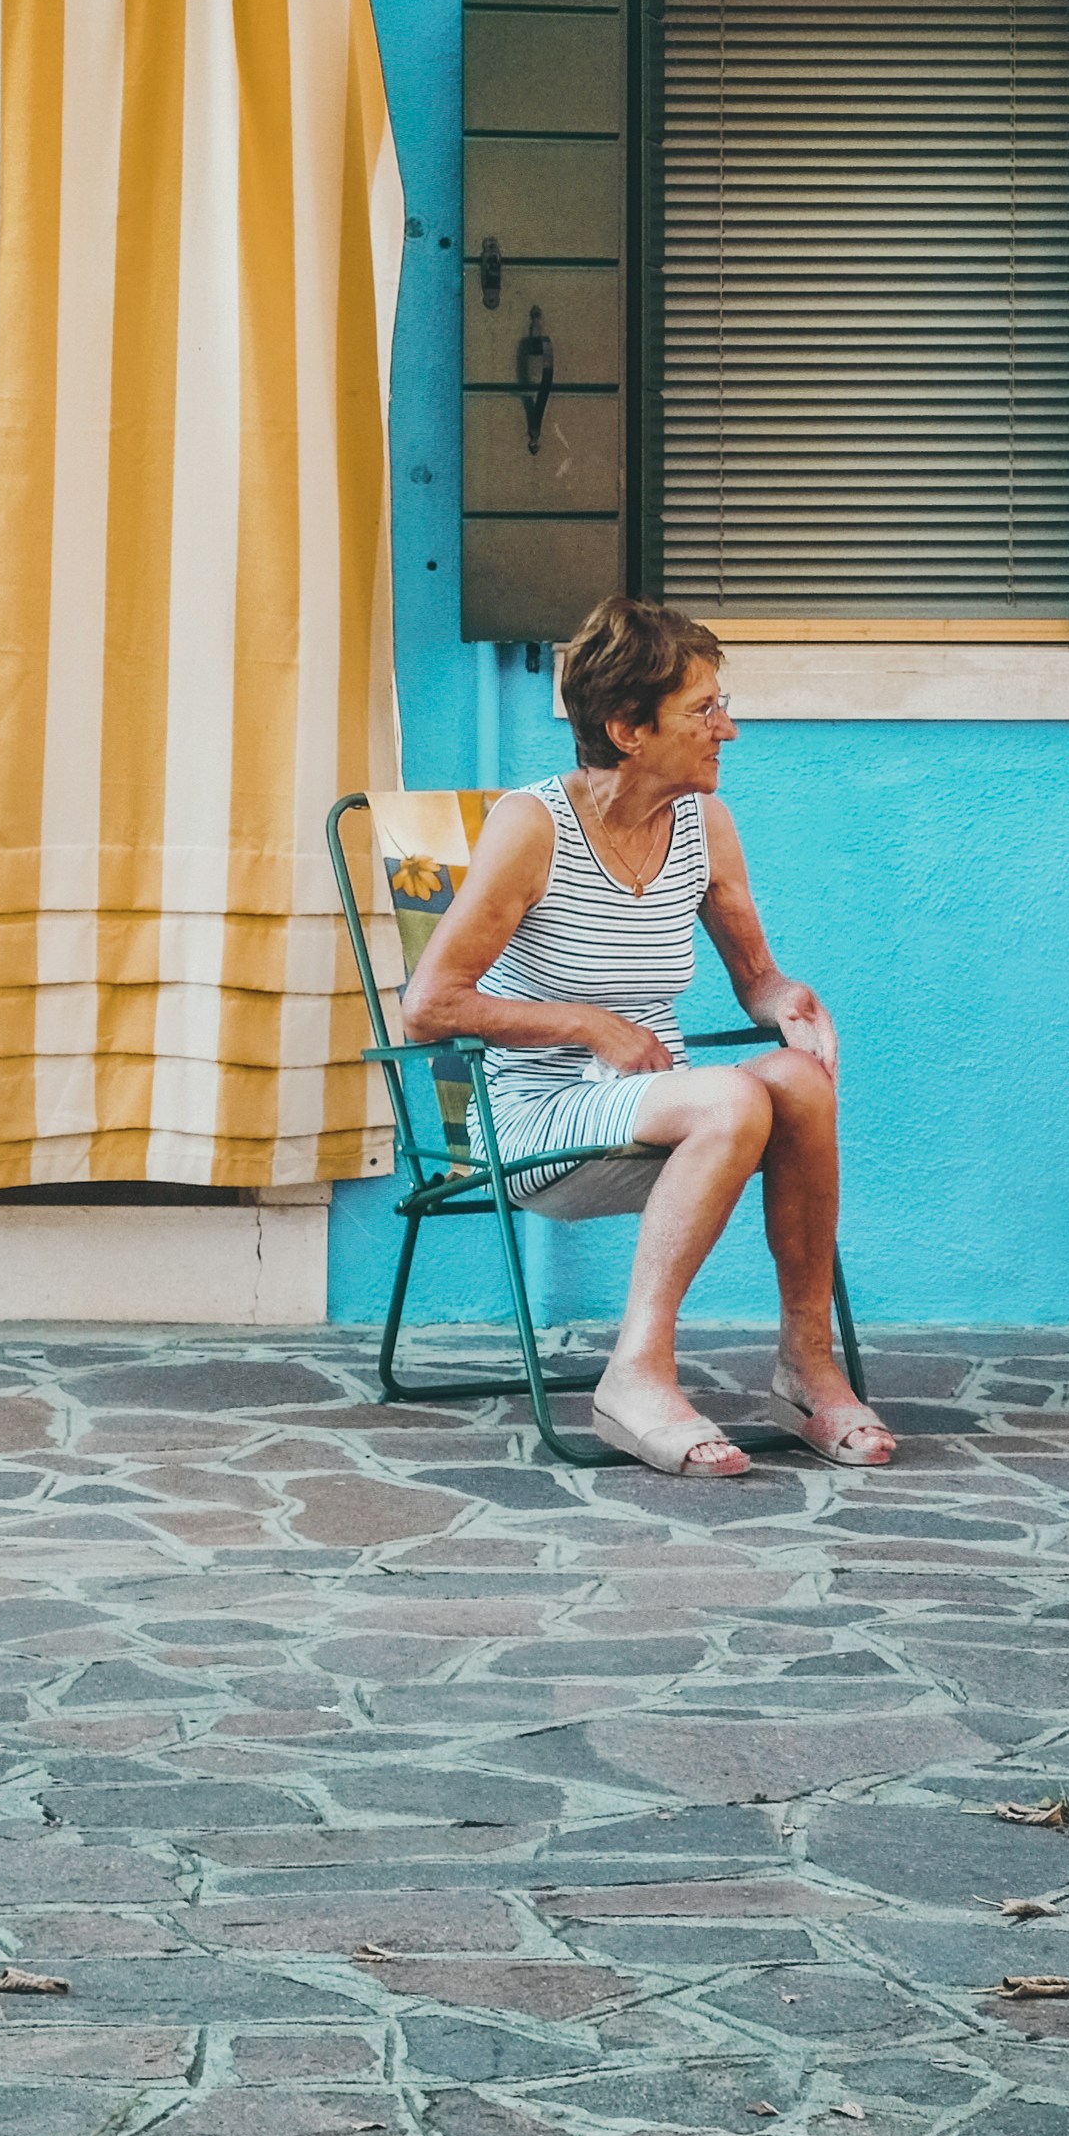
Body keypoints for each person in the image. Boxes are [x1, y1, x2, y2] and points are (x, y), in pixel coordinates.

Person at [397, 596, 877, 1478]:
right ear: (628, 728)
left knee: (800, 1081)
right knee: (735, 1097)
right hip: (535, 1115)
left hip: (661, 1110)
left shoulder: (705, 825)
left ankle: (808, 1370)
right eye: (704, 710)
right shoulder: (532, 826)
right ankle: (636, 1373)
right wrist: (586, 1024)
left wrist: (788, 1003)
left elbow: (754, 977)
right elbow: (426, 1007)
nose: (727, 730)